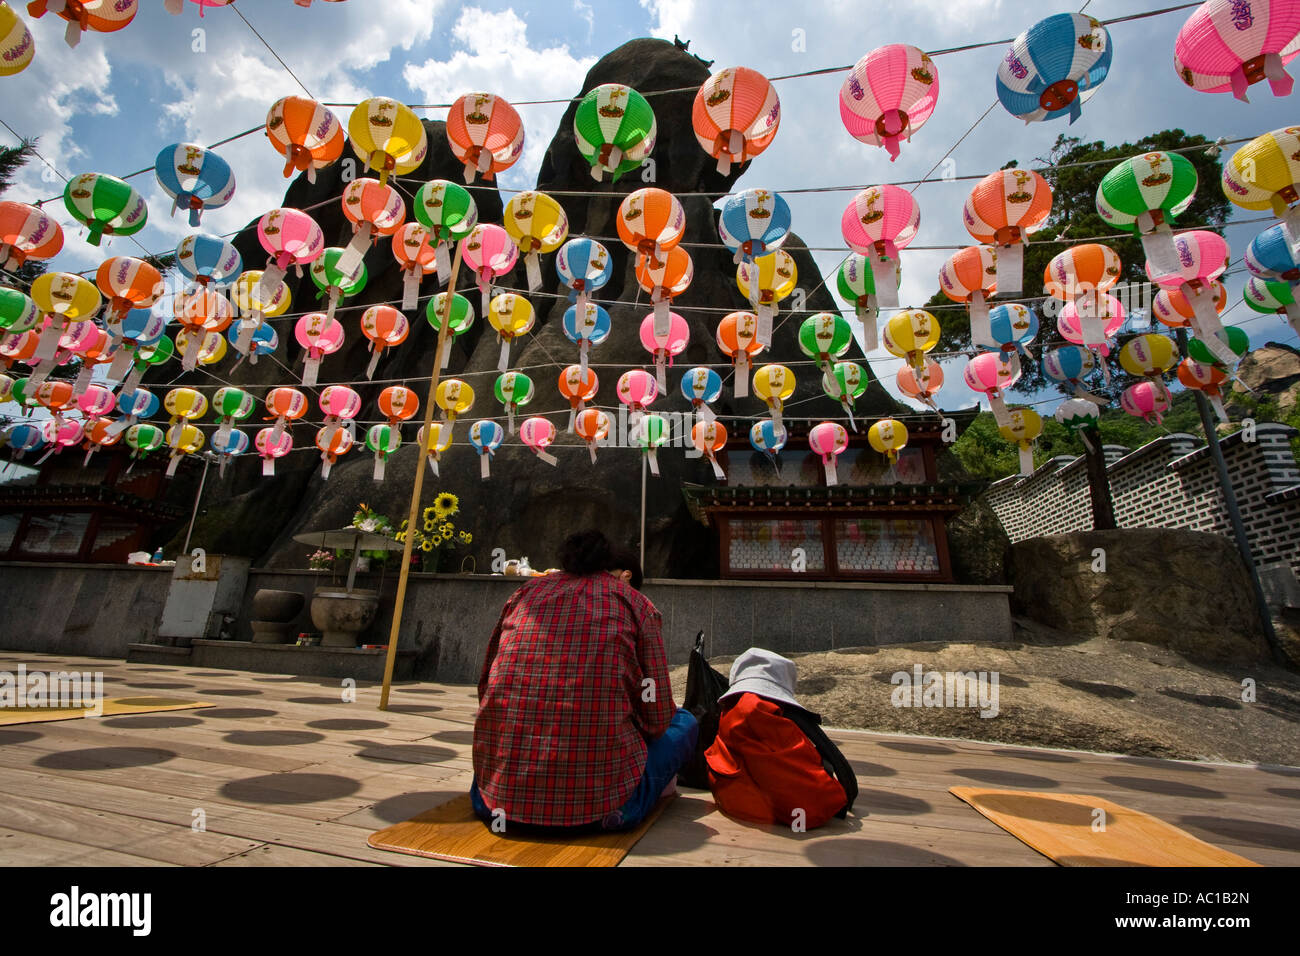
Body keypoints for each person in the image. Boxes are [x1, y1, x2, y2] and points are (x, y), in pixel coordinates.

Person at [471, 530, 697, 833]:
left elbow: (485, 688)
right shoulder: (637, 605)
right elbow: (656, 720)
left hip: (495, 800)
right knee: (684, 722)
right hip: (606, 807)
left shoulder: (523, 595)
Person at [704, 648, 854, 829]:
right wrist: (838, 798)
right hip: (797, 815)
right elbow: (815, 808)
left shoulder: (733, 707)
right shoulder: (760, 711)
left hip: (731, 802)